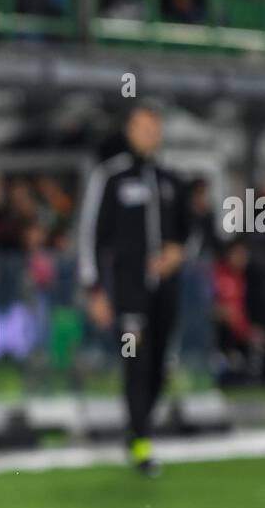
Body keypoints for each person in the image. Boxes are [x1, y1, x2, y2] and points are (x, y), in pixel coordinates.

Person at [77, 105, 187, 476]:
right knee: (135, 362)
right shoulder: (111, 177)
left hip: (166, 291)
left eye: (154, 129)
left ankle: (138, 429)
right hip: (129, 293)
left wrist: (178, 252)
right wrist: (94, 289)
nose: (148, 135)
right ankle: (142, 441)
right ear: (129, 131)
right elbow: (89, 234)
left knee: (159, 366)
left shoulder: (171, 179)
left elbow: (193, 229)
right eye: (141, 128)